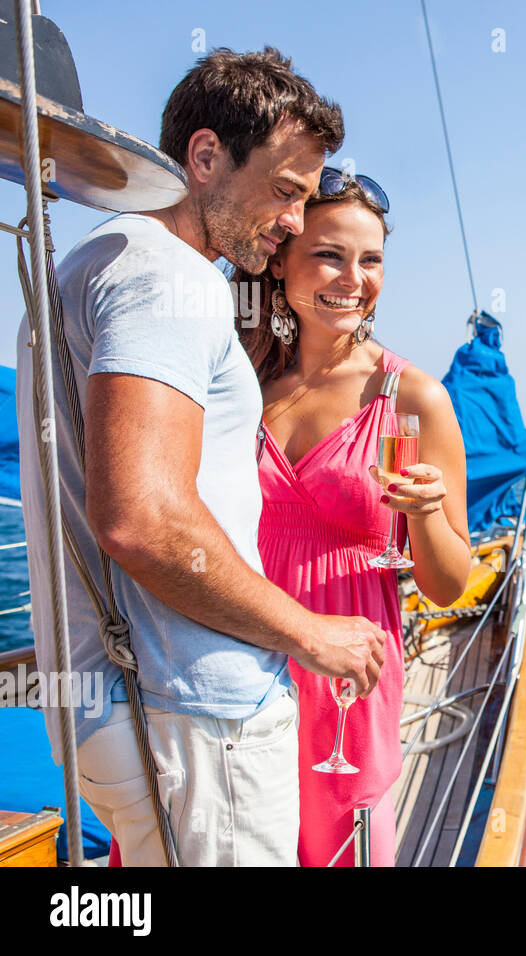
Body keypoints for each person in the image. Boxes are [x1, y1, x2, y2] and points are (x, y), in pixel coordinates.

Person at [16, 48, 389, 867]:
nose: (296, 221)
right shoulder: (171, 282)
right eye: (285, 191)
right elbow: (142, 517)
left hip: (128, 708)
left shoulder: (97, 260)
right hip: (195, 715)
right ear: (207, 156)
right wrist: (309, 634)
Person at [233, 169, 472, 866]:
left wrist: (426, 514)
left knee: (340, 850)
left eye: (371, 260)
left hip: (347, 682)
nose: (353, 278)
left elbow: (449, 585)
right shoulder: (243, 383)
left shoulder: (411, 396)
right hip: (246, 657)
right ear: (280, 261)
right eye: (330, 255)